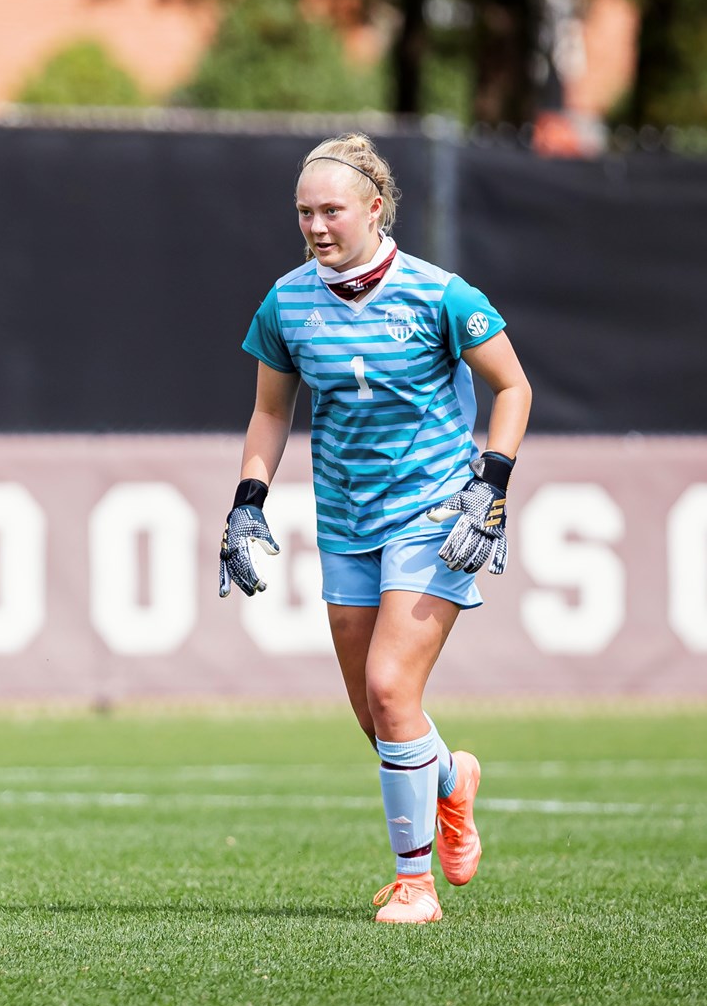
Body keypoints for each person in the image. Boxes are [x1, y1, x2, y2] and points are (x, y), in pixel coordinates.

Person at [219, 132, 531, 925]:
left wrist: (490, 483)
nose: (316, 225)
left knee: (394, 689)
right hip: (347, 521)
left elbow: (513, 387)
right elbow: (269, 409)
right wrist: (248, 498)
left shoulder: (440, 294)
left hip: (435, 513)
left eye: (331, 209)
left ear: (375, 208)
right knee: (375, 712)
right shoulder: (285, 302)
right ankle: (452, 784)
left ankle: (414, 883)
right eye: (303, 212)